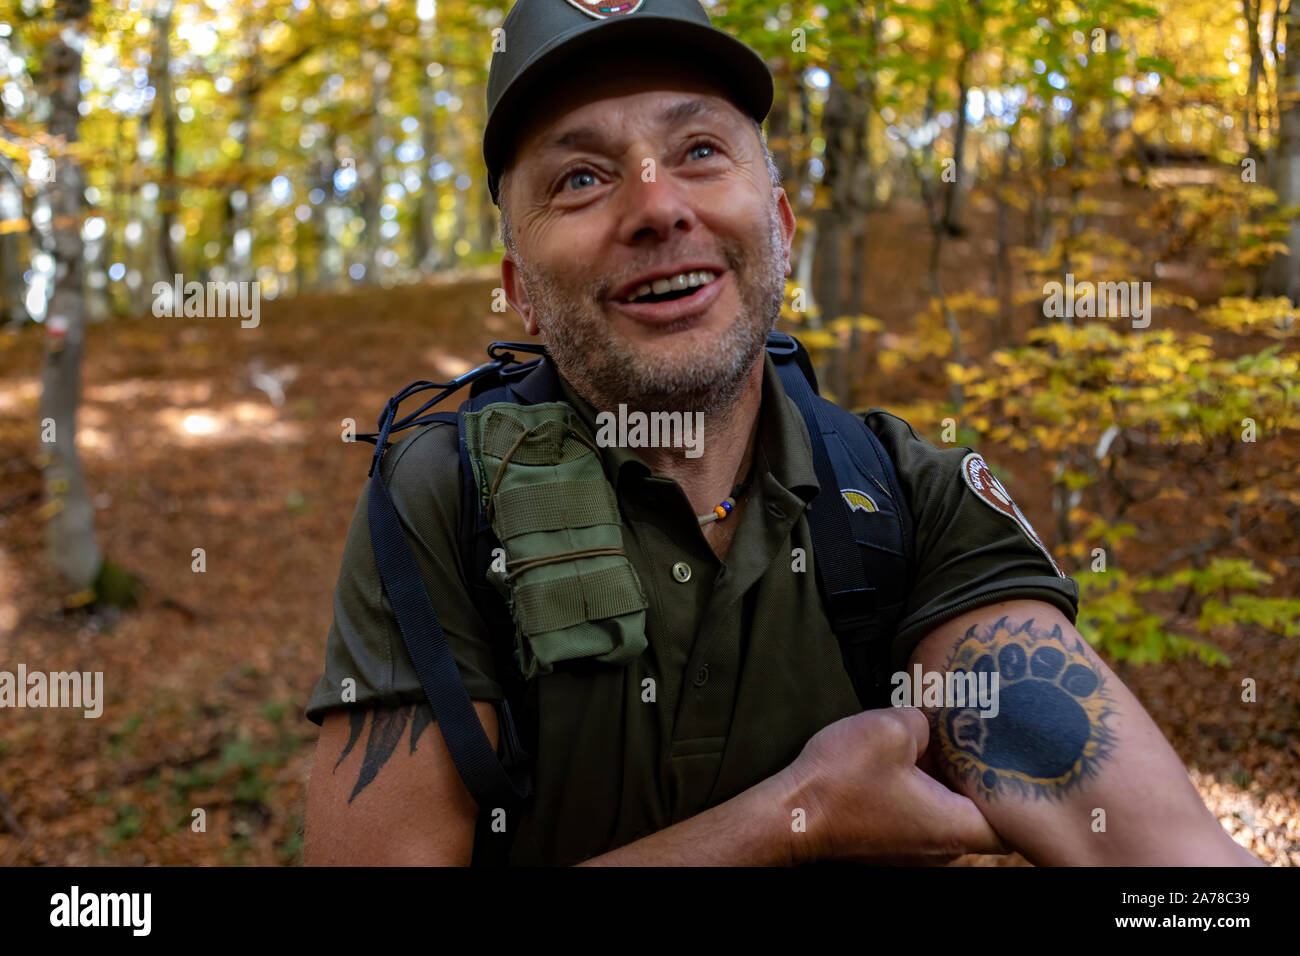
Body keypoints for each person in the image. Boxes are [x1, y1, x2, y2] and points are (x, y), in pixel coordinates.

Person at [302, 0, 1258, 867]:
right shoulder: (446, 504)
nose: (659, 206)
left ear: (782, 224)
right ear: (520, 295)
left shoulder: (903, 500)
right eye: (582, 177)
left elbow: (1171, 867)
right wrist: (788, 818)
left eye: (701, 152)